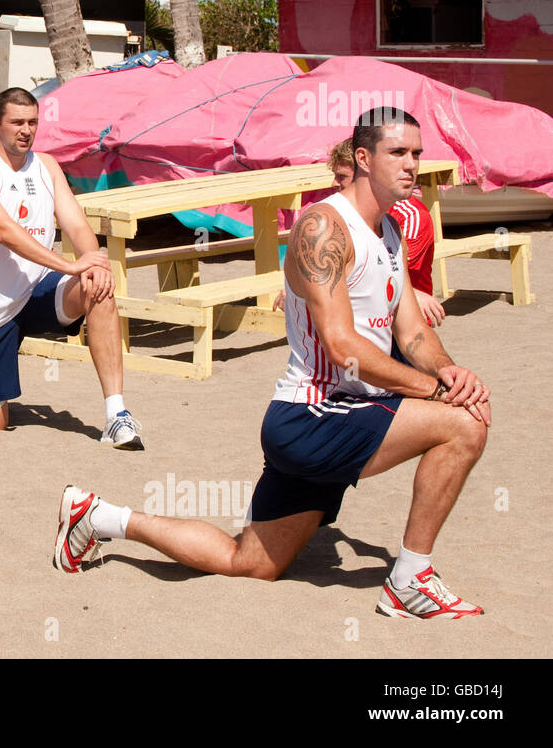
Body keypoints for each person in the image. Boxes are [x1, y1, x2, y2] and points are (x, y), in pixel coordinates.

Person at [54, 108, 491, 619]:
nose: (413, 164)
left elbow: (414, 332)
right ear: (364, 158)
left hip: (340, 414)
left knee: (251, 561)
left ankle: (100, 517)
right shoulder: (324, 228)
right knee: (465, 425)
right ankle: (410, 580)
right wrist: (433, 392)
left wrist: (448, 371)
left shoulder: (389, 231)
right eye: (399, 153)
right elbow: (342, 347)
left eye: (417, 152)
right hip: (315, 417)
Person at [0, 87, 141, 448]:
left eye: (33, 122)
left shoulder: (47, 166)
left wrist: (94, 262)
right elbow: (3, 231)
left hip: (37, 291)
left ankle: (116, 415)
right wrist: (71, 265)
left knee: (98, 287)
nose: (26, 130)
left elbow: (77, 225)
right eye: (16, 122)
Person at [274, 138, 445, 327]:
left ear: (364, 174)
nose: (333, 183)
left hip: (402, 318)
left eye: (341, 176)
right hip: (361, 313)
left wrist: (415, 294)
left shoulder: (410, 216)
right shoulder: (336, 213)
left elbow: (382, 279)